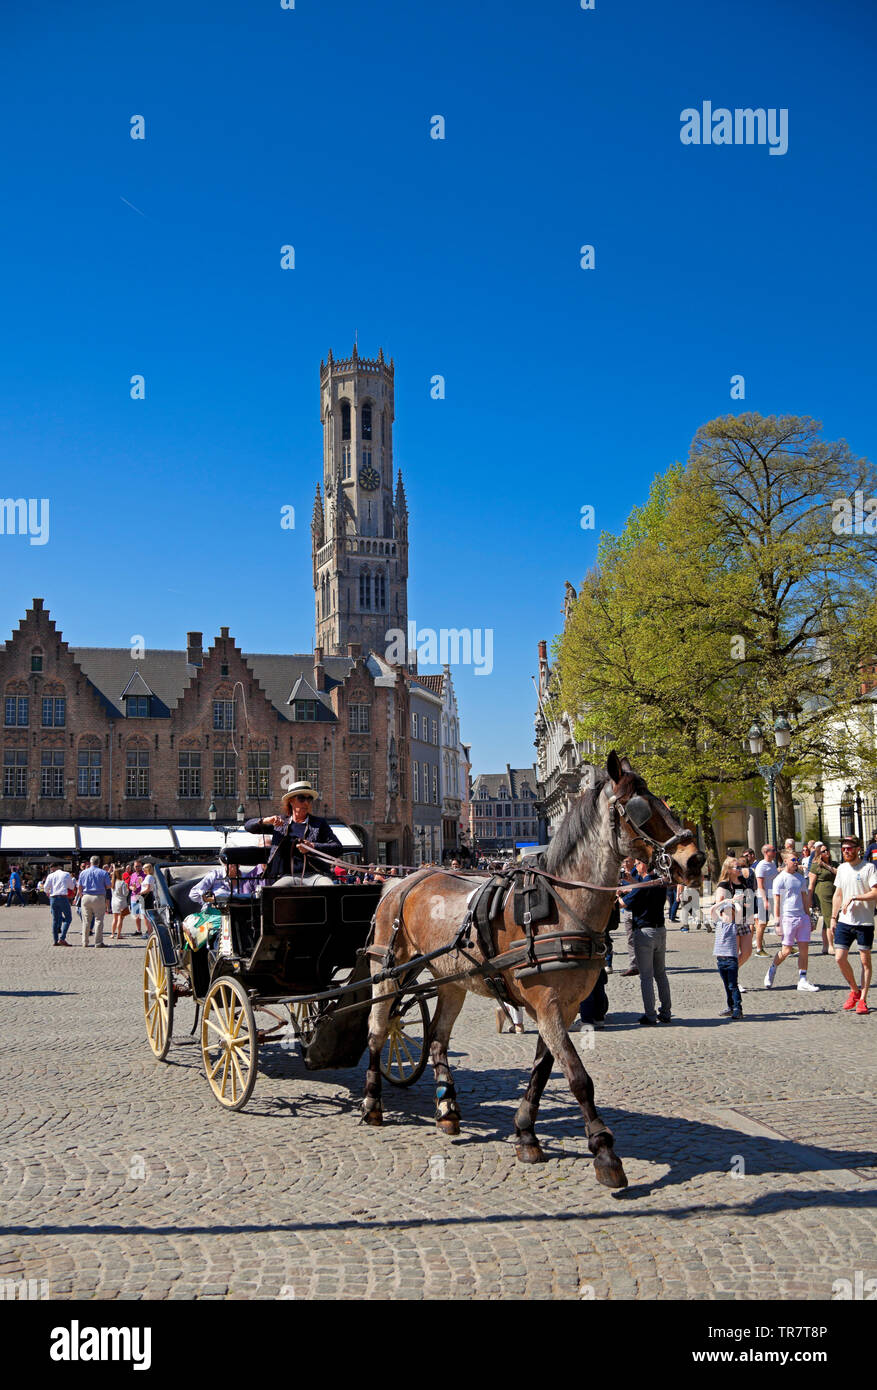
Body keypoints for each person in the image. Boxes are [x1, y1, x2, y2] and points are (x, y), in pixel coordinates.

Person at [245, 782, 340, 887]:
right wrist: (266, 820)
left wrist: (312, 847)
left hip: (315, 875)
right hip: (287, 876)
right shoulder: (280, 823)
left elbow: (337, 848)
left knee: (329, 888)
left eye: (309, 799)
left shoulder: (319, 823)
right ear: (291, 801)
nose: (306, 803)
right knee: (273, 893)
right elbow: (248, 827)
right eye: (301, 798)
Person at [620, 857, 671, 1025]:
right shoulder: (659, 881)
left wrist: (617, 893)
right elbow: (642, 887)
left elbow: (624, 903)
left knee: (646, 977)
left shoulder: (643, 886)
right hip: (660, 930)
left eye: (636, 864)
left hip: (644, 932)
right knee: (661, 974)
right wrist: (633, 882)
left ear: (643, 865)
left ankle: (650, 1015)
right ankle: (666, 1011)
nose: (635, 867)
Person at [830, 835, 875, 1015]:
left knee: (865, 961)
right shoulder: (841, 869)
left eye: (849, 848)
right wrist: (833, 917)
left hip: (864, 921)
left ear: (858, 849)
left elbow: (875, 893)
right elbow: (838, 895)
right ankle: (854, 990)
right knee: (839, 957)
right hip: (845, 921)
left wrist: (856, 897)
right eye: (844, 849)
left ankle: (863, 999)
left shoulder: (869, 868)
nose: (846, 851)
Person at [764, 853, 818, 991]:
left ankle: (802, 980)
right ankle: (773, 968)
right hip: (787, 918)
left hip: (802, 918)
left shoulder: (800, 878)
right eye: (793, 860)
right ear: (785, 861)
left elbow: (805, 899)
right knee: (786, 950)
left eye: (797, 860)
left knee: (804, 950)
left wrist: (809, 917)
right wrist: (777, 921)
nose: (796, 862)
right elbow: (776, 901)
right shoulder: (780, 879)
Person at [713, 890, 747, 1020]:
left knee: (733, 985)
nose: (728, 915)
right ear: (721, 915)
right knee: (727, 985)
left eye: (730, 913)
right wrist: (723, 902)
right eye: (725, 913)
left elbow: (739, 911)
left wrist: (734, 902)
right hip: (720, 960)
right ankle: (731, 1007)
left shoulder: (734, 925)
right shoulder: (718, 923)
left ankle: (738, 1008)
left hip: (732, 960)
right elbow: (712, 910)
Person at [74, 855, 111, 947]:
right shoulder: (103, 873)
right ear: (98, 863)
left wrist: (81, 895)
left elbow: (79, 886)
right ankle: (98, 942)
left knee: (86, 921)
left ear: (90, 862)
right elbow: (108, 886)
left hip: (86, 897)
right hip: (98, 896)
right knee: (98, 920)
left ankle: (85, 942)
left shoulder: (83, 873)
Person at [808, 845, 836, 954]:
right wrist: (809, 899)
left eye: (827, 850)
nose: (827, 852)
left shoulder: (833, 864)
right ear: (819, 853)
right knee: (829, 918)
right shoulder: (815, 866)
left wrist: (825, 865)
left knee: (826, 919)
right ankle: (831, 946)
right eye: (824, 851)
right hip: (822, 893)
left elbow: (838, 872)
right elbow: (811, 883)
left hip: (834, 891)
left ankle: (826, 946)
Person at [753, 844, 778, 956]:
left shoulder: (772, 864)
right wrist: (765, 900)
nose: (775, 852)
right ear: (766, 852)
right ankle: (759, 949)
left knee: (781, 920)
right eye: (773, 850)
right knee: (762, 924)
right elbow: (760, 885)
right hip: (764, 896)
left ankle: (788, 945)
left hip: (774, 896)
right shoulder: (761, 866)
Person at [44, 861, 75, 945]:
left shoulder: (50, 876)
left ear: (54, 867)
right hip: (63, 897)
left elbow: (46, 888)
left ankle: (55, 940)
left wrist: (49, 894)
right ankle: (62, 938)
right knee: (68, 918)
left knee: (55, 920)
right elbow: (71, 886)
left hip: (53, 898)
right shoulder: (66, 874)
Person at [618, 855, 639, 976]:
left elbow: (642, 887)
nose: (624, 864)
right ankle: (633, 965)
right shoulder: (622, 874)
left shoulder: (638, 872)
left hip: (638, 910)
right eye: (623, 862)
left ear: (633, 861)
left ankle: (644, 963)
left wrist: (628, 889)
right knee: (630, 939)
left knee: (641, 939)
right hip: (627, 910)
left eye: (626, 861)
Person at [109, 868, 130, 939]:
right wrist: (127, 888)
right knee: (120, 919)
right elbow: (125, 894)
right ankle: (118, 934)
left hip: (114, 902)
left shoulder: (112, 882)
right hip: (121, 902)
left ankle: (112, 933)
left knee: (114, 919)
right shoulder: (122, 883)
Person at [129, 860, 145, 936]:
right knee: (136, 915)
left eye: (139, 866)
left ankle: (148, 930)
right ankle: (139, 930)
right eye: (136, 866)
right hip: (134, 897)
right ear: (134, 867)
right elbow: (130, 885)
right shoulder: (133, 875)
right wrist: (132, 888)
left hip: (142, 897)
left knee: (144, 915)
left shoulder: (145, 874)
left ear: (141, 866)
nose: (137, 867)